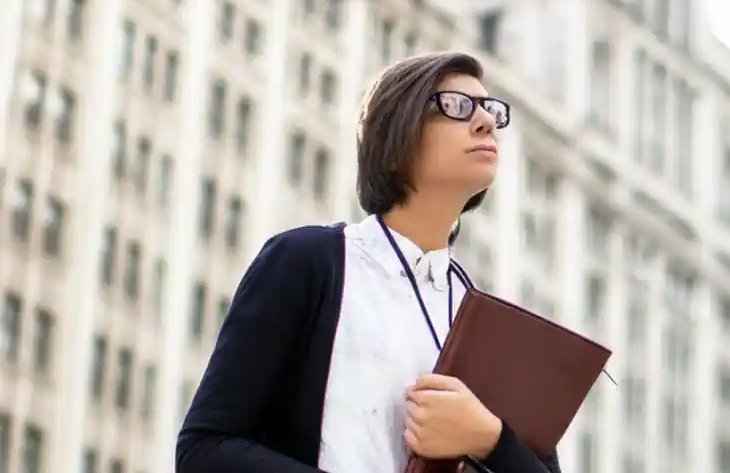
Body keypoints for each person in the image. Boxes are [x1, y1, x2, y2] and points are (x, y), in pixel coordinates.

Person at [176, 52, 559, 473]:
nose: (485, 121)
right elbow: (205, 449)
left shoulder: (498, 331)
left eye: (491, 110)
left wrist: (489, 439)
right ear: (394, 141)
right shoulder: (309, 263)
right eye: (455, 106)